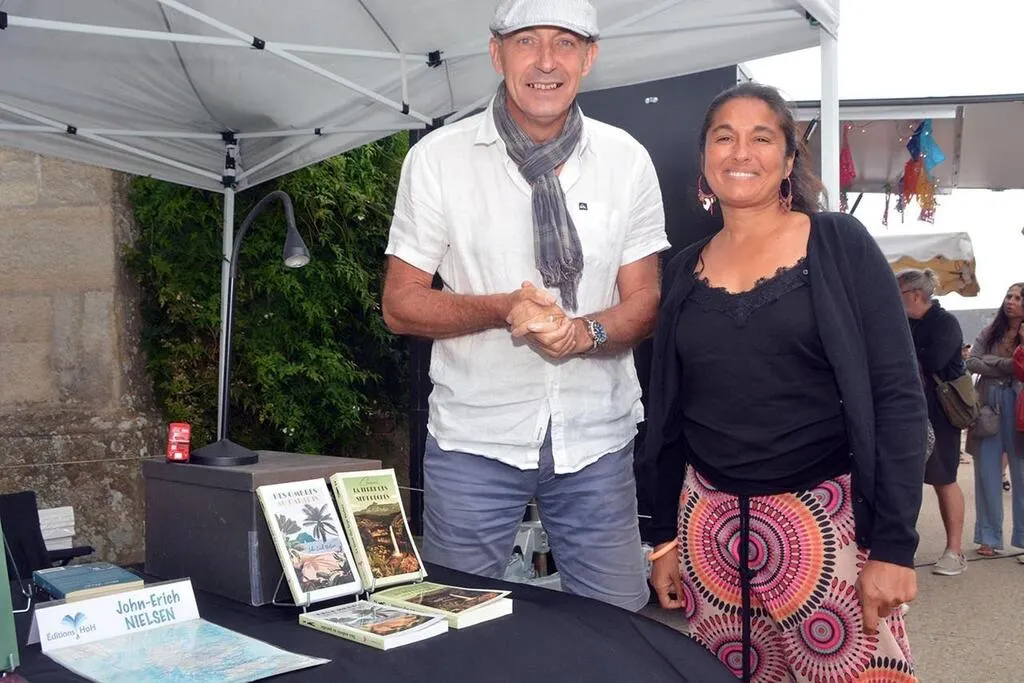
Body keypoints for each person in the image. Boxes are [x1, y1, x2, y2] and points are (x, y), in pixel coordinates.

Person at [381, 0, 670, 612]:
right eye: (527, 42)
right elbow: (401, 305)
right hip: (474, 439)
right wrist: (503, 308)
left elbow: (645, 303)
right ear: (496, 53)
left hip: (596, 437)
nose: (546, 62)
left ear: (589, 57)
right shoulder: (438, 158)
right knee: (455, 626)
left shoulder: (627, 160)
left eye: (565, 43)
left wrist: (583, 332)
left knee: (616, 622)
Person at [641, 82, 923, 681]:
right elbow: (666, 414)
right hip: (709, 531)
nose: (741, 152)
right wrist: (663, 537)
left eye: (761, 137)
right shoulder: (682, 271)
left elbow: (897, 396)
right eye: (725, 137)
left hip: (827, 530)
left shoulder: (837, 245)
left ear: (789, 160)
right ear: (704, 159)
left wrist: (895, 545)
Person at [898, 268, 968, 576]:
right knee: (904, 481)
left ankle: (955, 550)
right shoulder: (902, 324)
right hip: (907, 412)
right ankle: (900, 552)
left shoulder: (945, 323)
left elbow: (932, 361)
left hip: (940, 412)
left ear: (914, 294)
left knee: (943, 479)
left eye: (896, 293)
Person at [965, 284, 1024, 557]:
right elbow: (972, 362)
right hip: (988, 404)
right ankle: (988, 536)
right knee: (987, 471)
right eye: (1009, 296)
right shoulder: (990, 331)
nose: (1011, 301)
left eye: (1018, 298)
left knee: (1021, 472)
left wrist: (998, 363)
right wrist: (1007, 364)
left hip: (1019, 404)